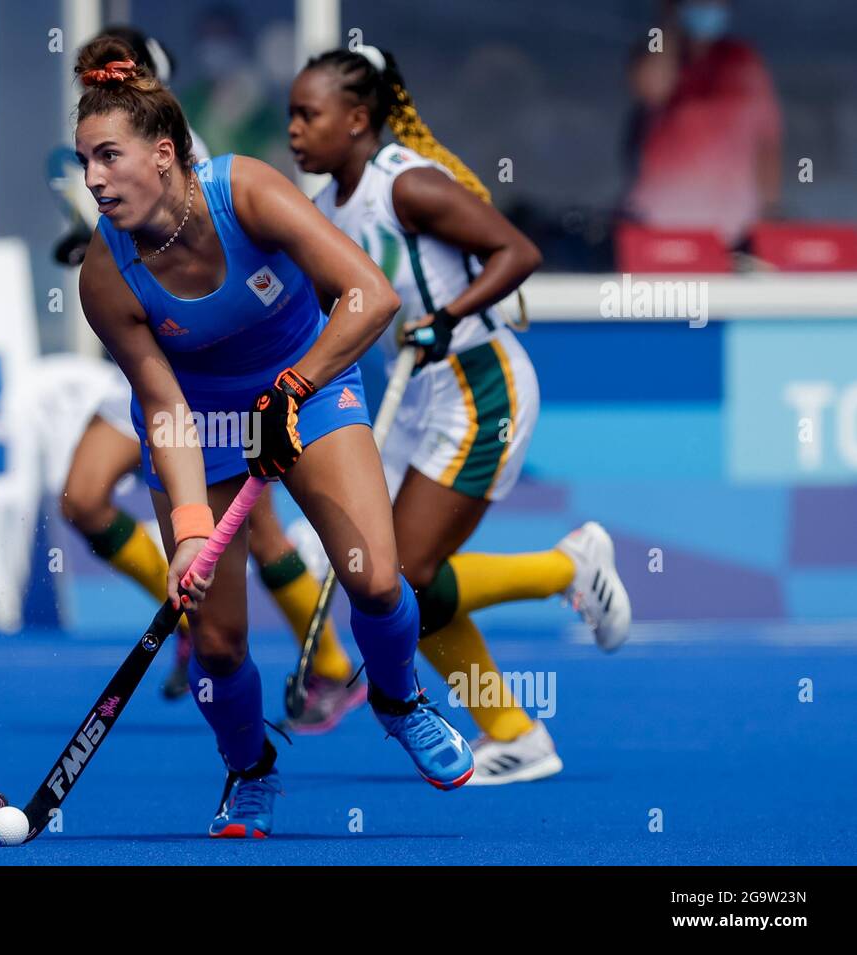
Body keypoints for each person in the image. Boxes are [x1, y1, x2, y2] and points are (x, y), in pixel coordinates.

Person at [73, 34, 474, 838]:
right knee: (217, 646)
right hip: (201, 422)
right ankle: (249, 767)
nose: (92, 180)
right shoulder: (105, 276)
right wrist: (189, 534)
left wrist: (292, 389)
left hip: (310, 384)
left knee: (376, 579)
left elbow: (367, 295)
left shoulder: (246, 192)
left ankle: (398, 697)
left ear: (162, 154)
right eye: (86, 161)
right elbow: (163, 407)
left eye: (108, 157)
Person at [289, 45, 632, 784]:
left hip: (482, 386)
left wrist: (447, 314)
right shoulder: (319, 212)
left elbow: (518, 251)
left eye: (306, 115)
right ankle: (516, 734)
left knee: (402, 579)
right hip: (414, 396)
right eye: (291, 114)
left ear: (356, 121)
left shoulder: (407, 187)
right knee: (398, 582)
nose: (293, 130)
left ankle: (565, 568)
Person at [57, 26, 364, 731]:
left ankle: (330, 659)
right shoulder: (105, 160)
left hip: (238, 357)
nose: (96, 171)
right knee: (83, 497)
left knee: (259, 529)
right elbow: (121, 248)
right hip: (161, 353)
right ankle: (191, 612)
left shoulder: (172, 148)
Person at [624, 0, 782, 246]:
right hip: (662, 225)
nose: (709, 7)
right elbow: (652, 85)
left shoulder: (745, 59)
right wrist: (669, 23)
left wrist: (770, 210)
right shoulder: (660, 50)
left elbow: (767, 141)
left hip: (735, 227)